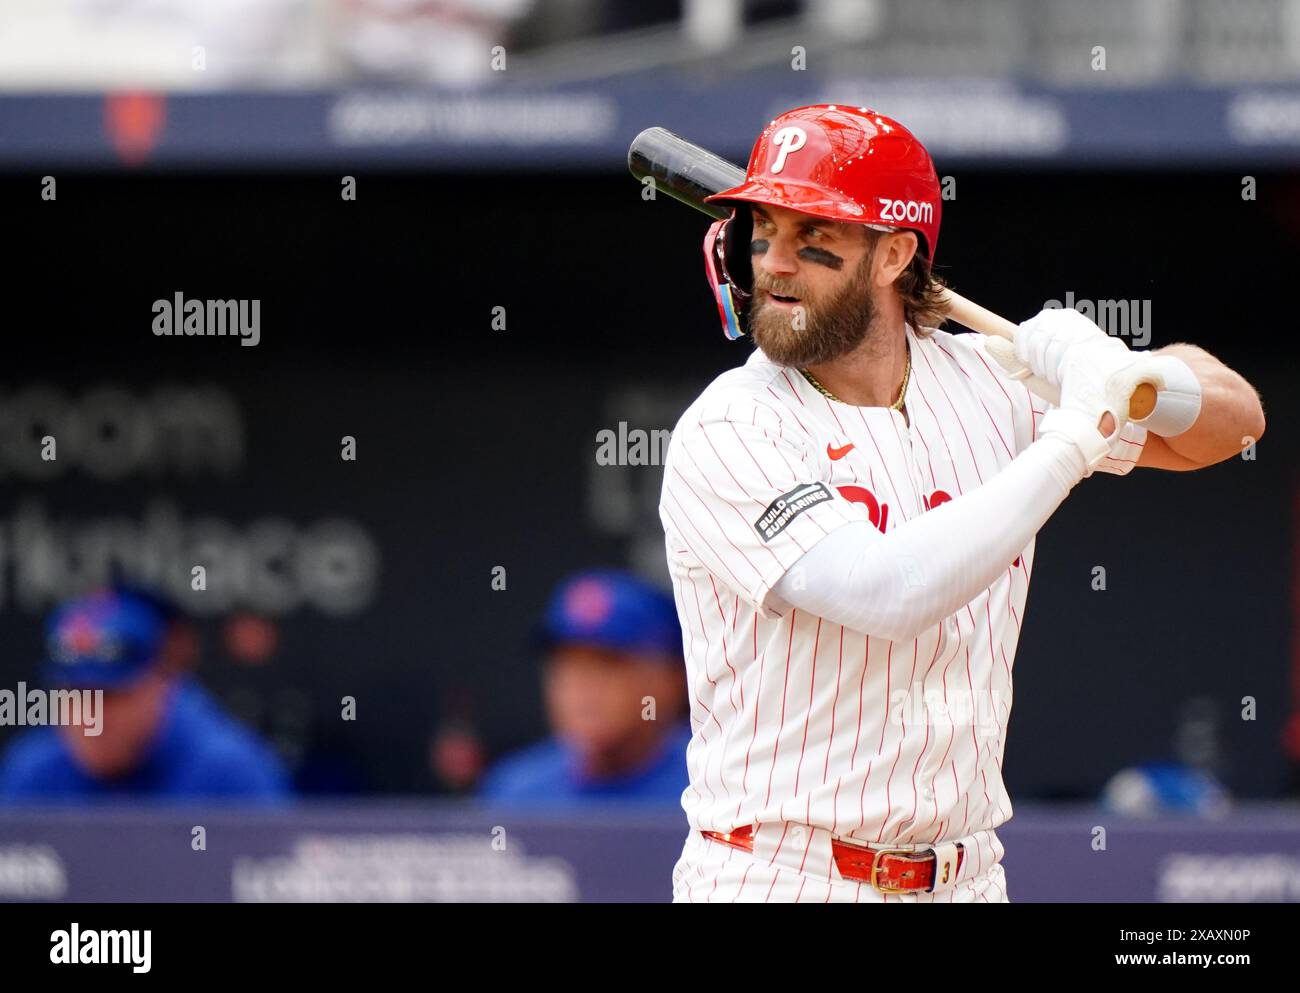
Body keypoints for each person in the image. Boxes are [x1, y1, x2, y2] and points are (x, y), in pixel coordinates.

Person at [660, 104, 1265, 902]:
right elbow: (887, 591)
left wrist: (1121, 371)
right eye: (763, 232)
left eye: (815, 239)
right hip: (780, 871)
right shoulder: (731, 424)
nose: (775, 264)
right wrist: (1075, 435)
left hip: (967, 874)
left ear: (895, 255)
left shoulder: (987, 382)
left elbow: (1234, 422)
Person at [0, 586, 289, 803]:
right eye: (76, 697)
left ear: (162, 682)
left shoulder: (229, 772)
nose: (90, 720)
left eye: (108, 697)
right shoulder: (32, 770)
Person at [479, 569, 690, 806]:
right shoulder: (515, 791)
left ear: (669, 680)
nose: (582, 686)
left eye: (607, 664)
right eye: (566, 665)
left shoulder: (713, 785)